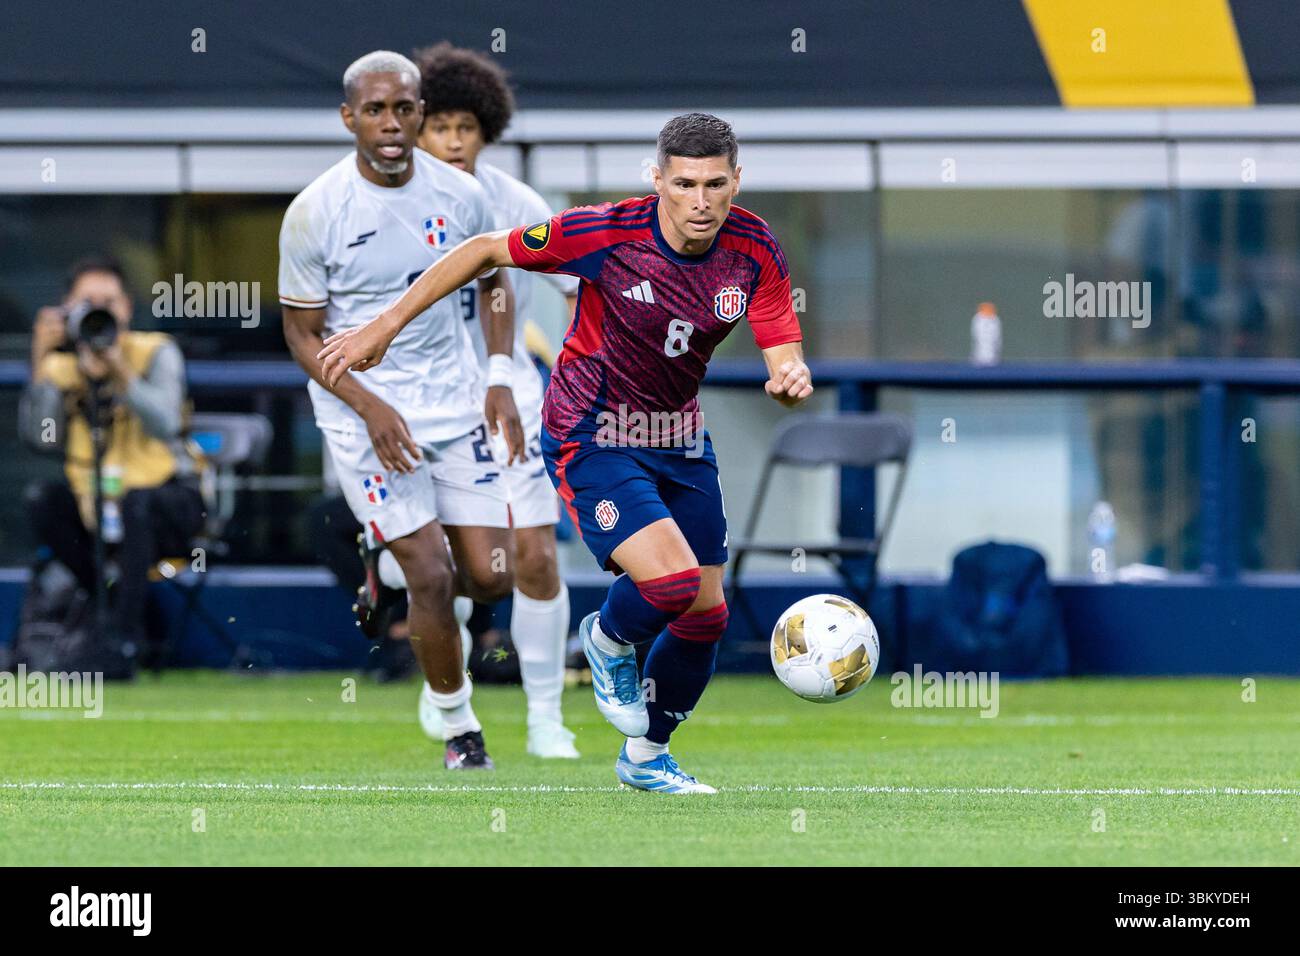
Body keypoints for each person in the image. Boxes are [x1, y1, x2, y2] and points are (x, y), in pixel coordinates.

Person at [318, 112, 814, 794]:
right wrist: (385, 325)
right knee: (666, 586)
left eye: (715, 184)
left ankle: (647, 757)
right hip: (592, 430)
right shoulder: (604, 232)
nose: (700, 201)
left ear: (737, 179)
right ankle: (607, 641)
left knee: (706, 614)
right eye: (684, 184)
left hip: (678, 437)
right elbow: (485, 250)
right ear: (658, 179)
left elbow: (781, 350)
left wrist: (790, 377)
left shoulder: (755, 248)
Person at [278, 51, 523, 771]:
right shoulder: (315, 212)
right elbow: (301, 334)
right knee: (433, 577)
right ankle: (458, 724)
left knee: (490, 575)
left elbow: (496, 285)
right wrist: (370, 405)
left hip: (453, 400)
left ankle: (380, 564)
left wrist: (500, 374)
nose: (391, 124)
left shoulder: (462, 194)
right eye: (375, 110)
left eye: (404, 109)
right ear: (349, 117)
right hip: (361, 414)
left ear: (421, 112)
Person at [411, 41, 580, 758]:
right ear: (414, 129)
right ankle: (443, 680)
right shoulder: (385, 207)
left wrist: (584, 375)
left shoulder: (519, 205)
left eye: (466, 128)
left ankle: (546, 718)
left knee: (536, 556)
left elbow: (583, 289)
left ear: (487, 130)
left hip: (516, 397)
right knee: (452, 567)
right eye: (439, 125)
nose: (452, 141)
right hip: (424, 405)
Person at [20, 256, 205, 668]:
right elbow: (39, 437)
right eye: (87, 301)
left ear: (126, 307)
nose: (99, 310)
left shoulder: (155, 350)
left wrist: (121, 371)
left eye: (109, 301)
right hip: (96, 506)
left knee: (137, 502)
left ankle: (120, 641)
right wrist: (40, 361)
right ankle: (119, 614)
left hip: (170, 501)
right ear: (67, 308)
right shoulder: (60, 365)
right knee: (41, 499)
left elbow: (167, 425)